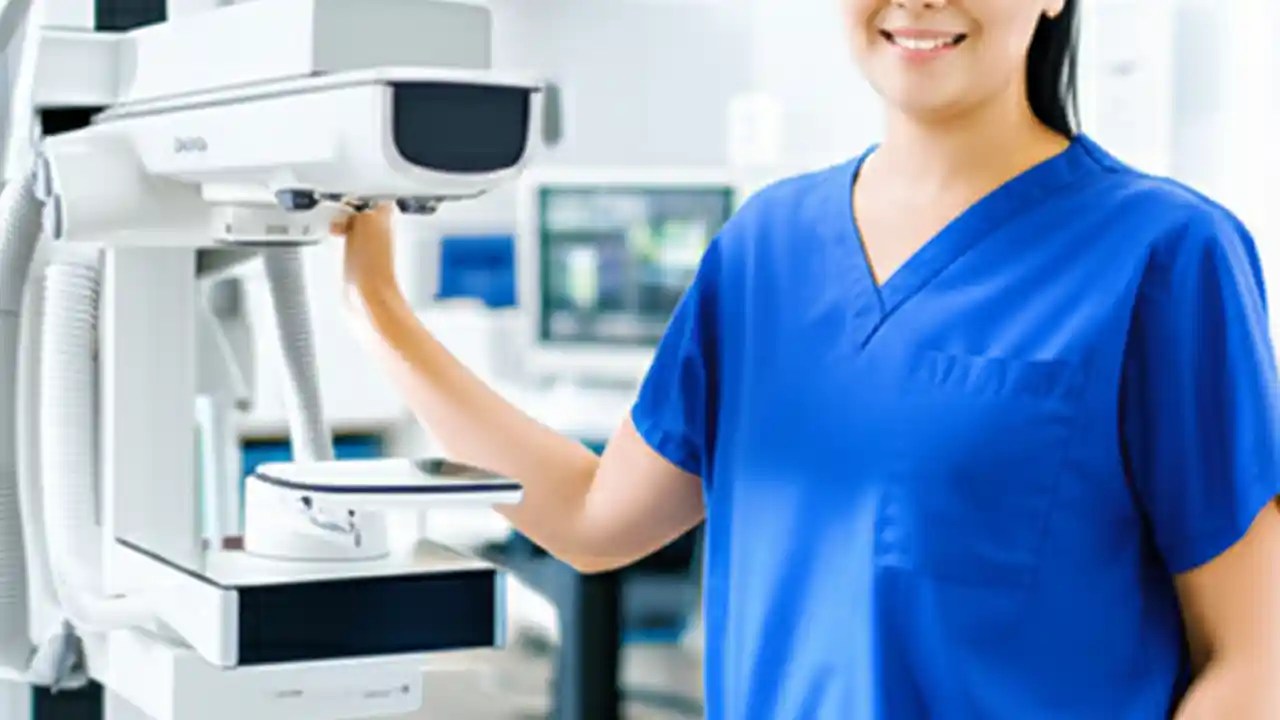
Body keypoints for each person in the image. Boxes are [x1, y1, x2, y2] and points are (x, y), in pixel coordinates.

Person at [333, 0, 1280, 716]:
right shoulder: (766, 248)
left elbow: (1253, 658)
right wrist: (376, 308)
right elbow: (592, 518)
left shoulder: (1161, 252)